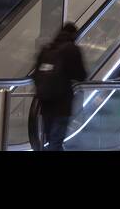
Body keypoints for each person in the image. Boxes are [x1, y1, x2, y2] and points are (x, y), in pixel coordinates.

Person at [33, 22, 87, 151]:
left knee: (50, 138)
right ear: (74, 35)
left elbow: (36, 74)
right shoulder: (72, 50)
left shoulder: (47, 49)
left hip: (45, 102)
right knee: (56, 141)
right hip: (62, 102)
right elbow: (81, 75)